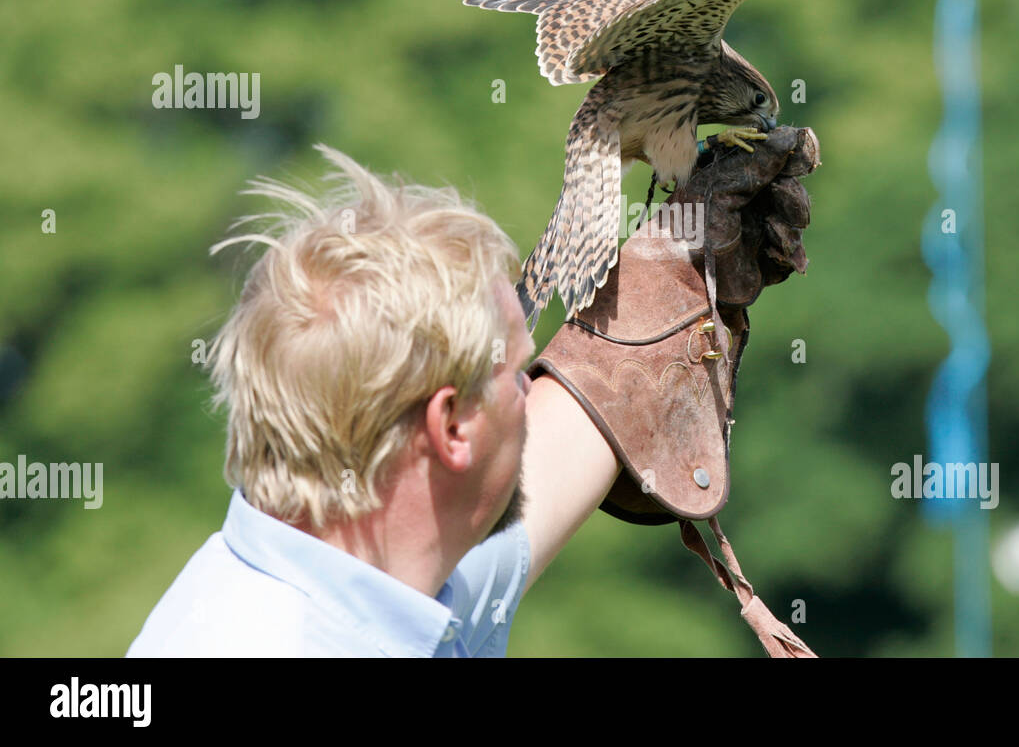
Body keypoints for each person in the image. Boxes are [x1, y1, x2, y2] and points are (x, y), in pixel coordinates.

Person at [126, 129, 816, 657]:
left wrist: (676, 267)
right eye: (517, 374)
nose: (533, 389)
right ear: (451, 426)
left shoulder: (366, 569)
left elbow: (585, 411)